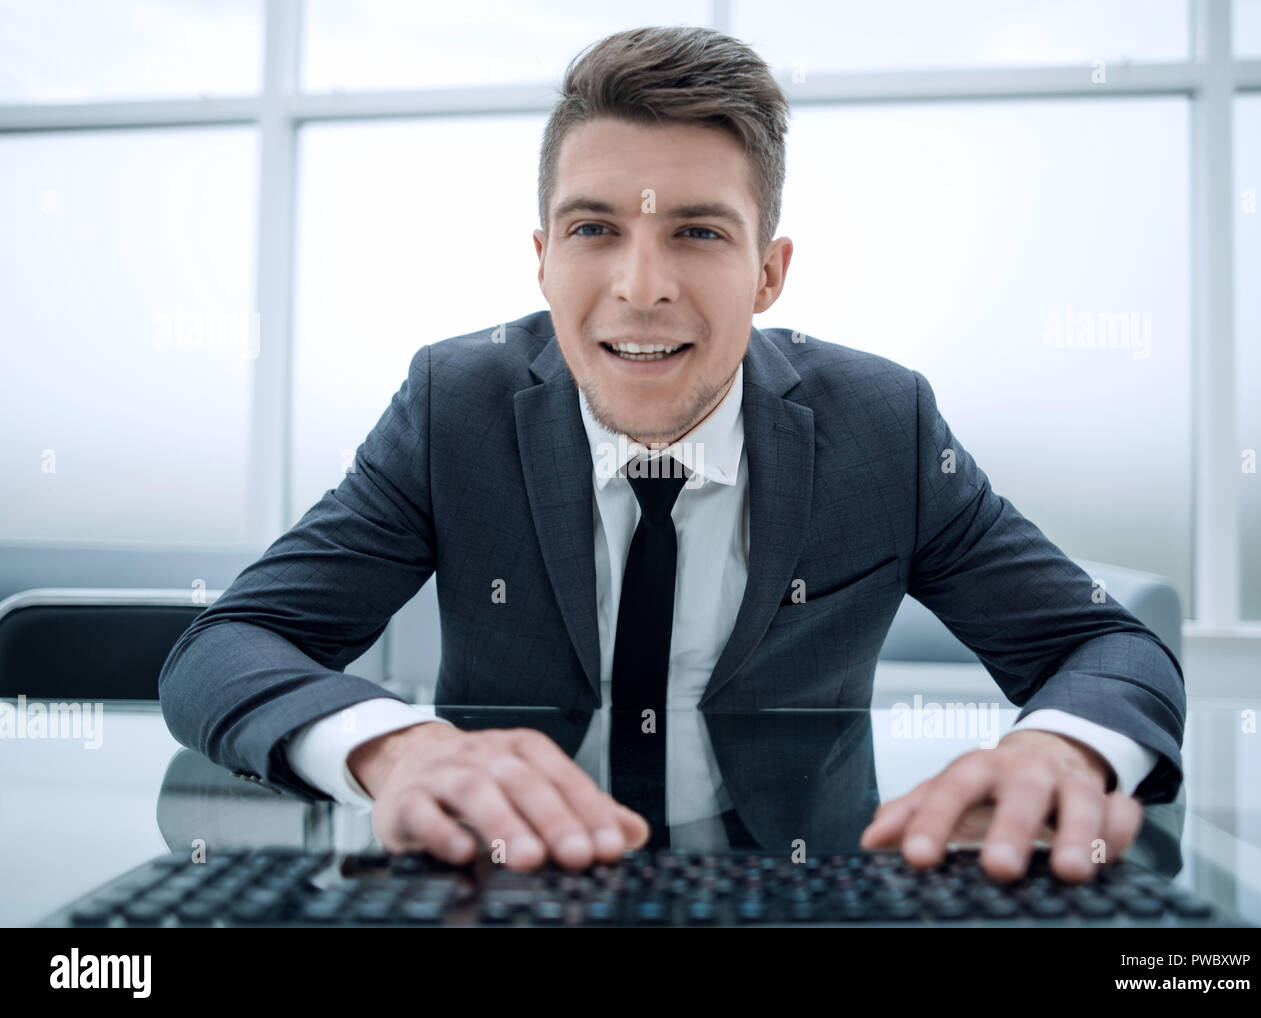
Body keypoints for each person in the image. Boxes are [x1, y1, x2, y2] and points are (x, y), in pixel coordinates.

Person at [159, 25, 1184, 884]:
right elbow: (227, 645)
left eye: (696, 232)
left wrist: (1060, 747)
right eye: (594, 228)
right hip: (496, 891)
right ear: (543, 257)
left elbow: (1110, 647)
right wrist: (396, 747)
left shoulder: (882, 425)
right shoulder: (455, 406)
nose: (640, 287)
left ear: (769, 271)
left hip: (802, 893)